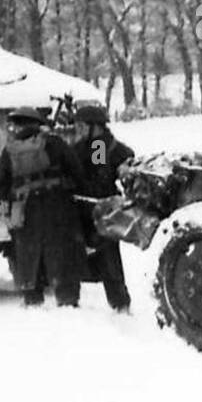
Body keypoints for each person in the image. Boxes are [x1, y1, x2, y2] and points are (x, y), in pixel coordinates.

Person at [0, 106, 87, 307]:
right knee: (62, 249)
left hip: (25, 206)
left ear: (17, 126)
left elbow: (1, 185)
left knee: (28, 250)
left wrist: (11, 202)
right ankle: (67, 297)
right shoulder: (55, 143)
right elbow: (76, 170)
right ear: (38, 124)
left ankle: (32, 297)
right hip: (57, 204)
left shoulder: (10, 150)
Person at [72, 103, 135, 313]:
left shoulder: (98, 146)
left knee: (107, 256)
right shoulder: (97, 143)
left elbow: (99, 178)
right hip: (96, 208)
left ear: (95, 127)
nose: (78, 131)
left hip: (98, 209)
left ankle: (120, 303)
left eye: (81, 126)